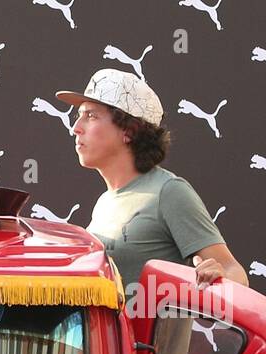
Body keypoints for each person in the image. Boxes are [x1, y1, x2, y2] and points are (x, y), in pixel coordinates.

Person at [57, 69, 248, 291]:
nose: (75, 128)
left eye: (91, 116)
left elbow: (235, 272)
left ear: (129, 130)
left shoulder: (170, 192)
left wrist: (220, 277)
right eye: (78, 116)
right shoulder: (104, 203)